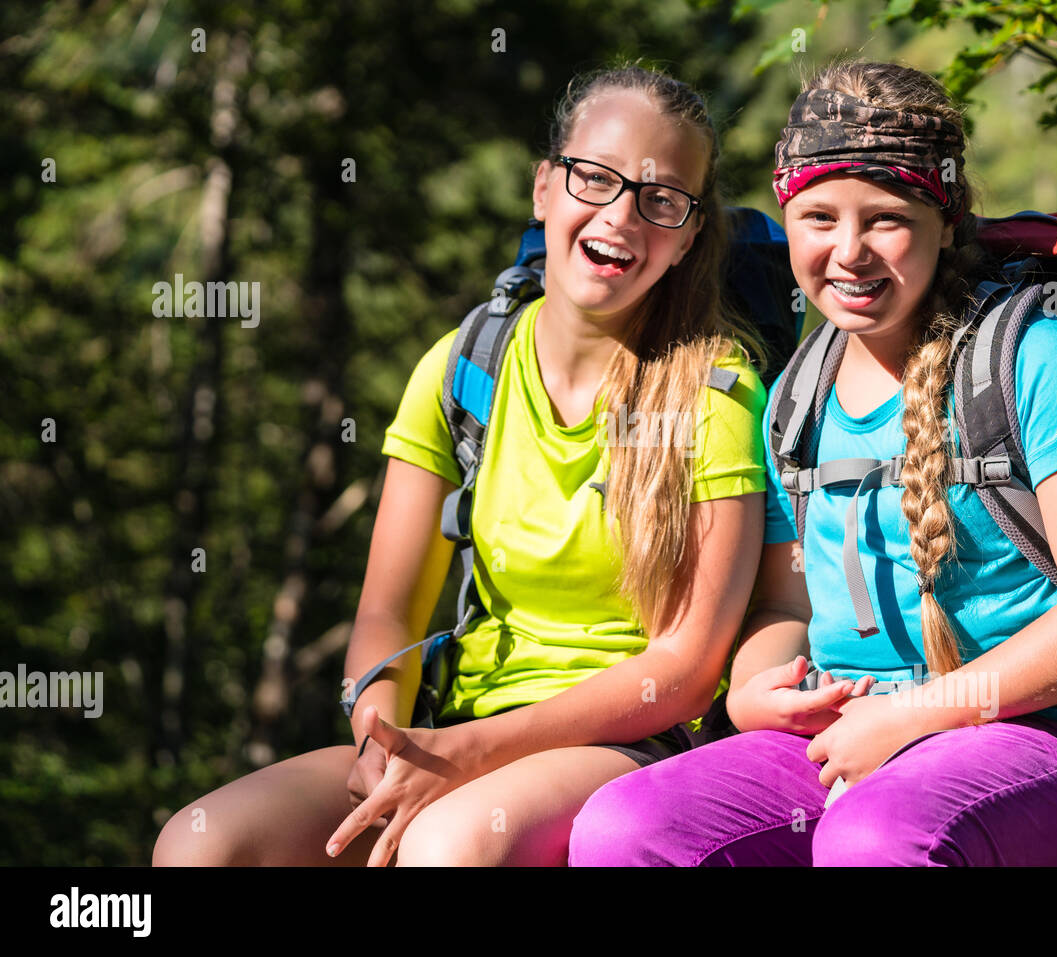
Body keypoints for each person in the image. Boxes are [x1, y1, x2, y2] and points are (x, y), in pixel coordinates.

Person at [152, 64, 767, 867]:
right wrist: (379, 735)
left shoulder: (711, 391)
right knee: (202, 847)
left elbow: (685, 671)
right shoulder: (462, 370)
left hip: (629, 744)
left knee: (447, 846)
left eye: (661, 199)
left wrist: (472, 752)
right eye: (596, 178)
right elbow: (388, 616)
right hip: (453, 726)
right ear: (545, 186)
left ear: (688, 235)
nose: (622, 216)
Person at [568, 60, 1057, 867]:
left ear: (946, 223)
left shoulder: (1032, 359)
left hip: (1041, 730)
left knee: (876, 841)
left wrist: (919, 716)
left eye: (885, 218)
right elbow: (786, 602)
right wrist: (752, 687)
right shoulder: (797, 395)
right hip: (847, 728)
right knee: (626, 828)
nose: (848, 251)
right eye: (817, 217)